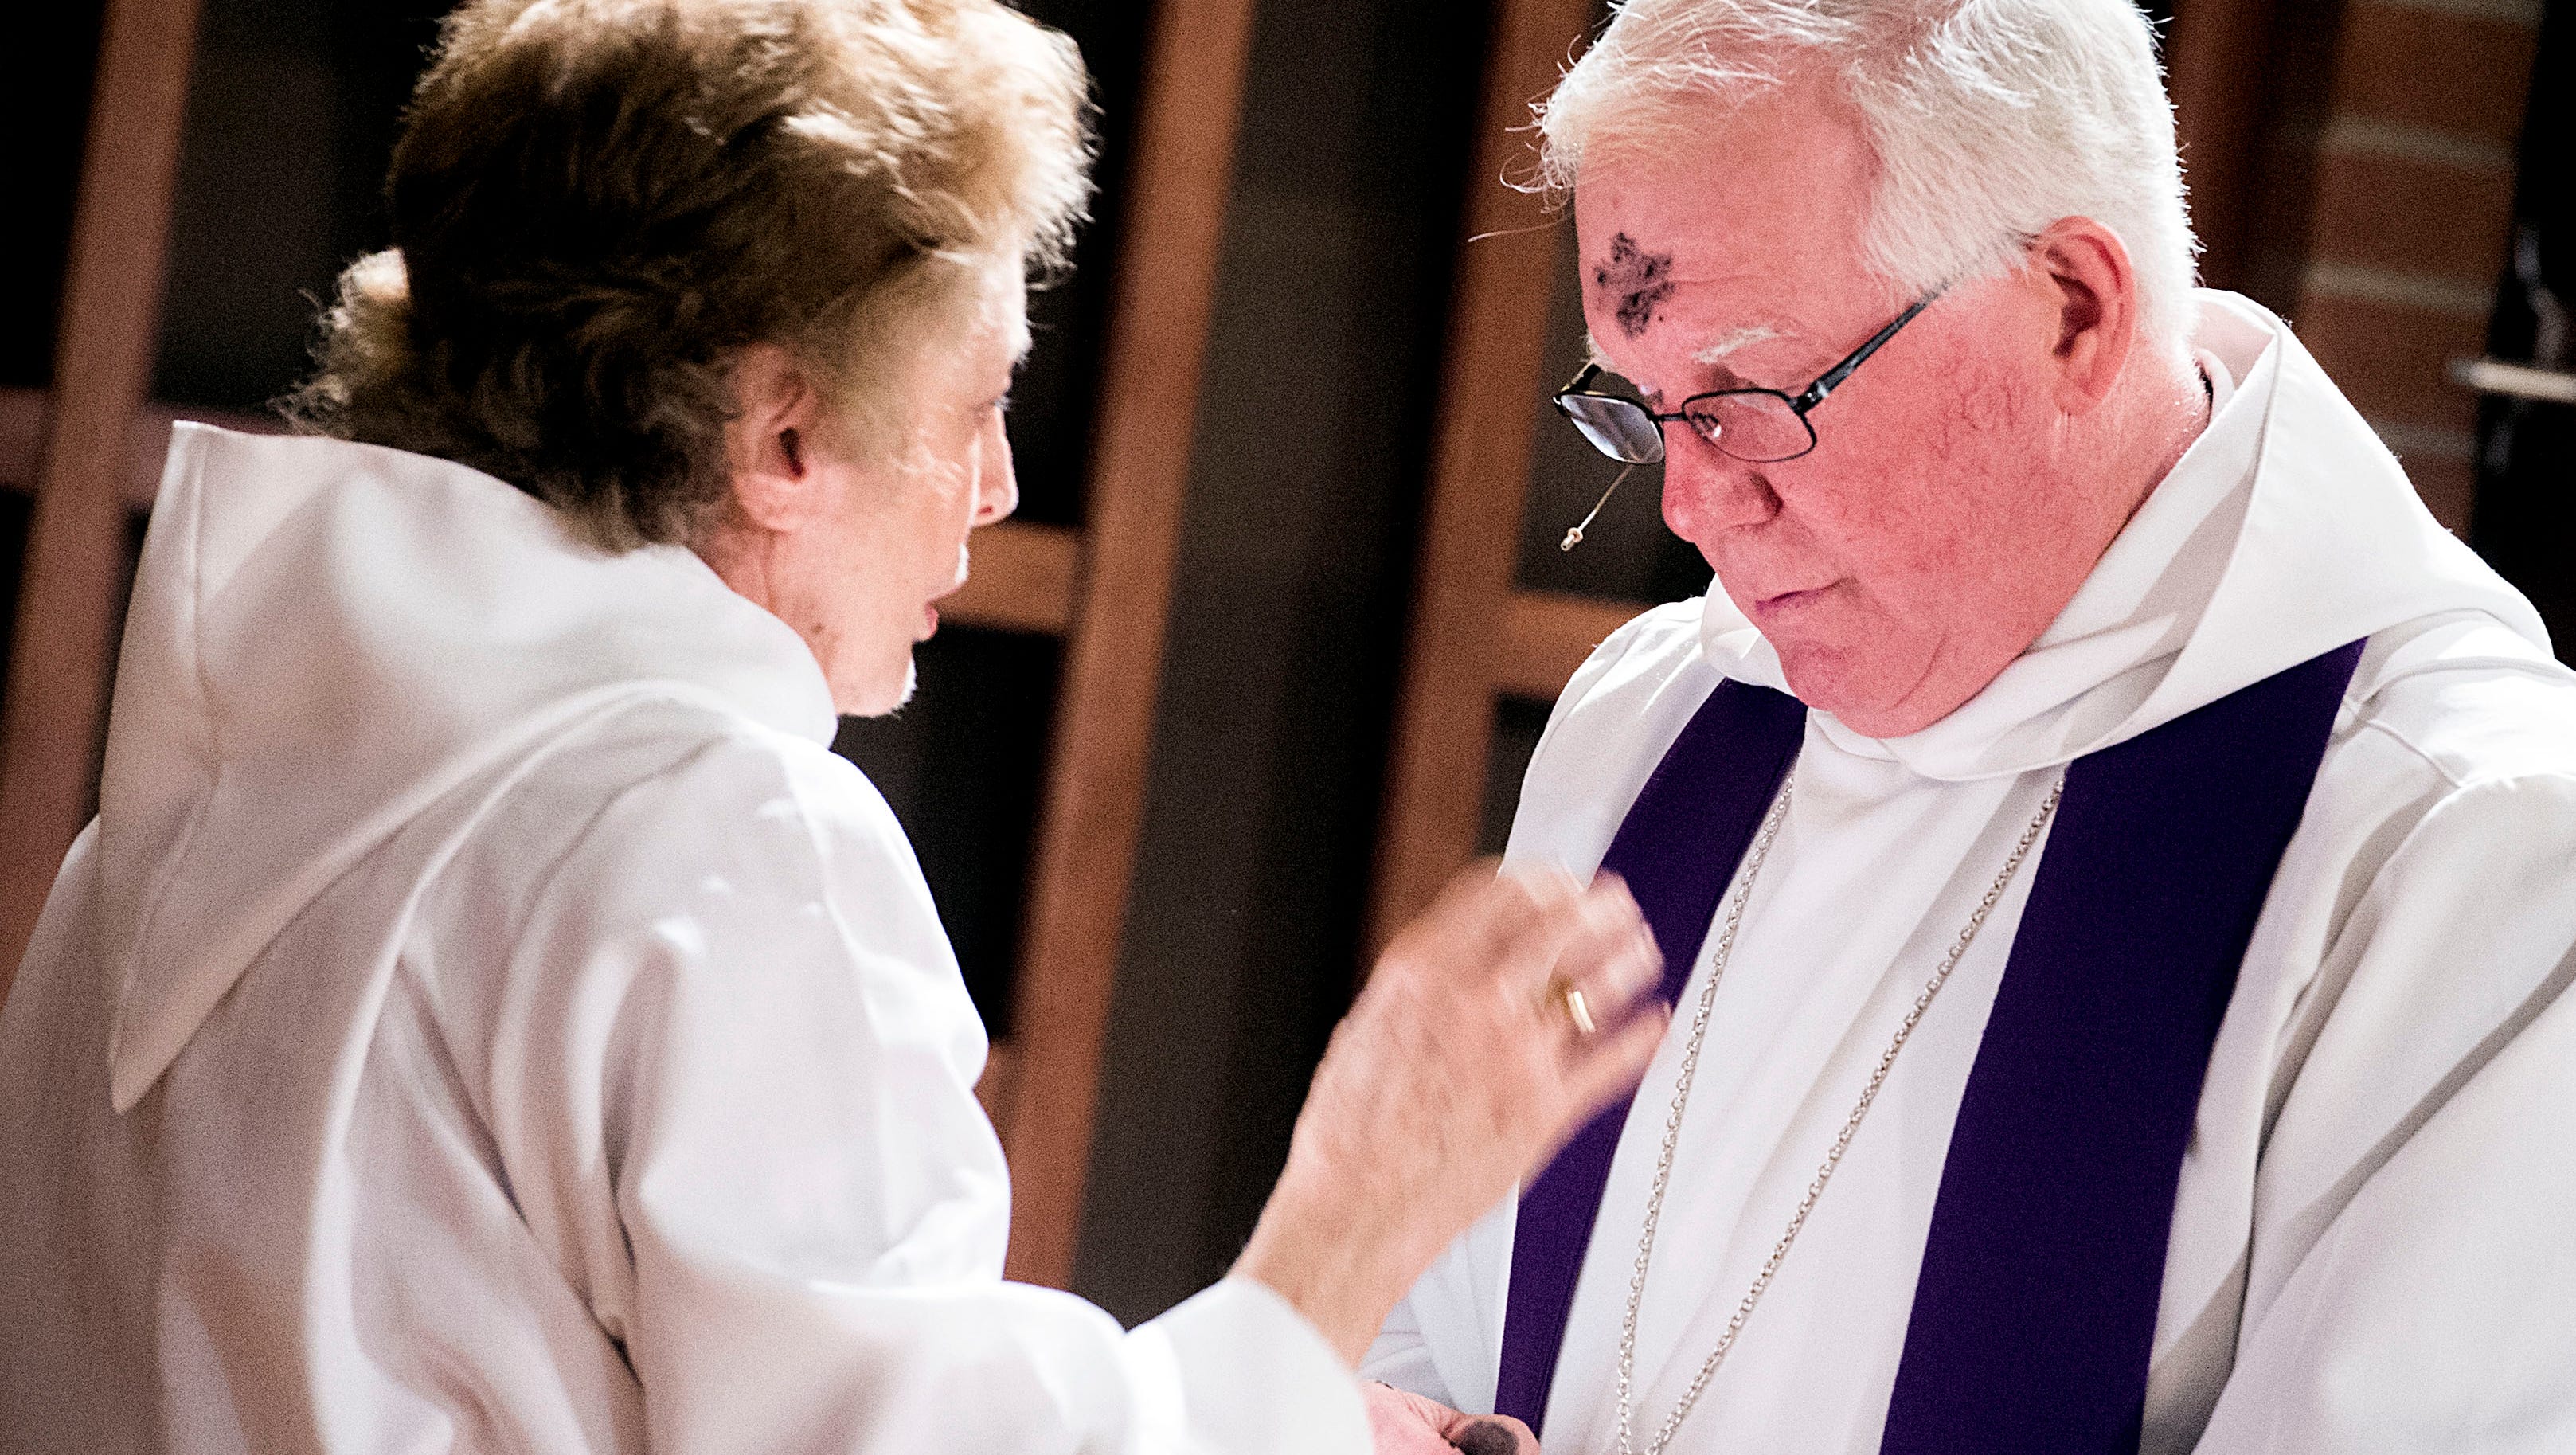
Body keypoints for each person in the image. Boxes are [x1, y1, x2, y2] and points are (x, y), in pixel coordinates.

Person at [0, 2, 1674, 1450]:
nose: (1001, 488)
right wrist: (1339, 1236)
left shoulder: (144, 856)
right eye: (977, 402)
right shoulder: (704, 834)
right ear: (784, 436)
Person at [1362, 2, 2576, 1453]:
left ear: (2073, 303)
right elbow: (1437, 1312)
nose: (1689, 509)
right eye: (1643, 412)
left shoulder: (2467, 846)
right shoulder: (1659, 718)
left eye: (1748, 396)